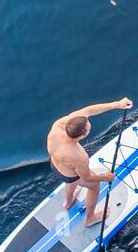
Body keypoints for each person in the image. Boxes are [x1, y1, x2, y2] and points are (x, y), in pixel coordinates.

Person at [47, 97, 133, 226]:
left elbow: (88, 110)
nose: (88, 121)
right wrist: (105, 177)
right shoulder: (79, 156)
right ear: (83, 135)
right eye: (87, 126)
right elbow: (87, 177)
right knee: (93, 186)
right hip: (70, 174)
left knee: (71, 177)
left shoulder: (59, 125)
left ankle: (68, 201)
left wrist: (117, 105)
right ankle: (90, 218)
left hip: (55, 165)